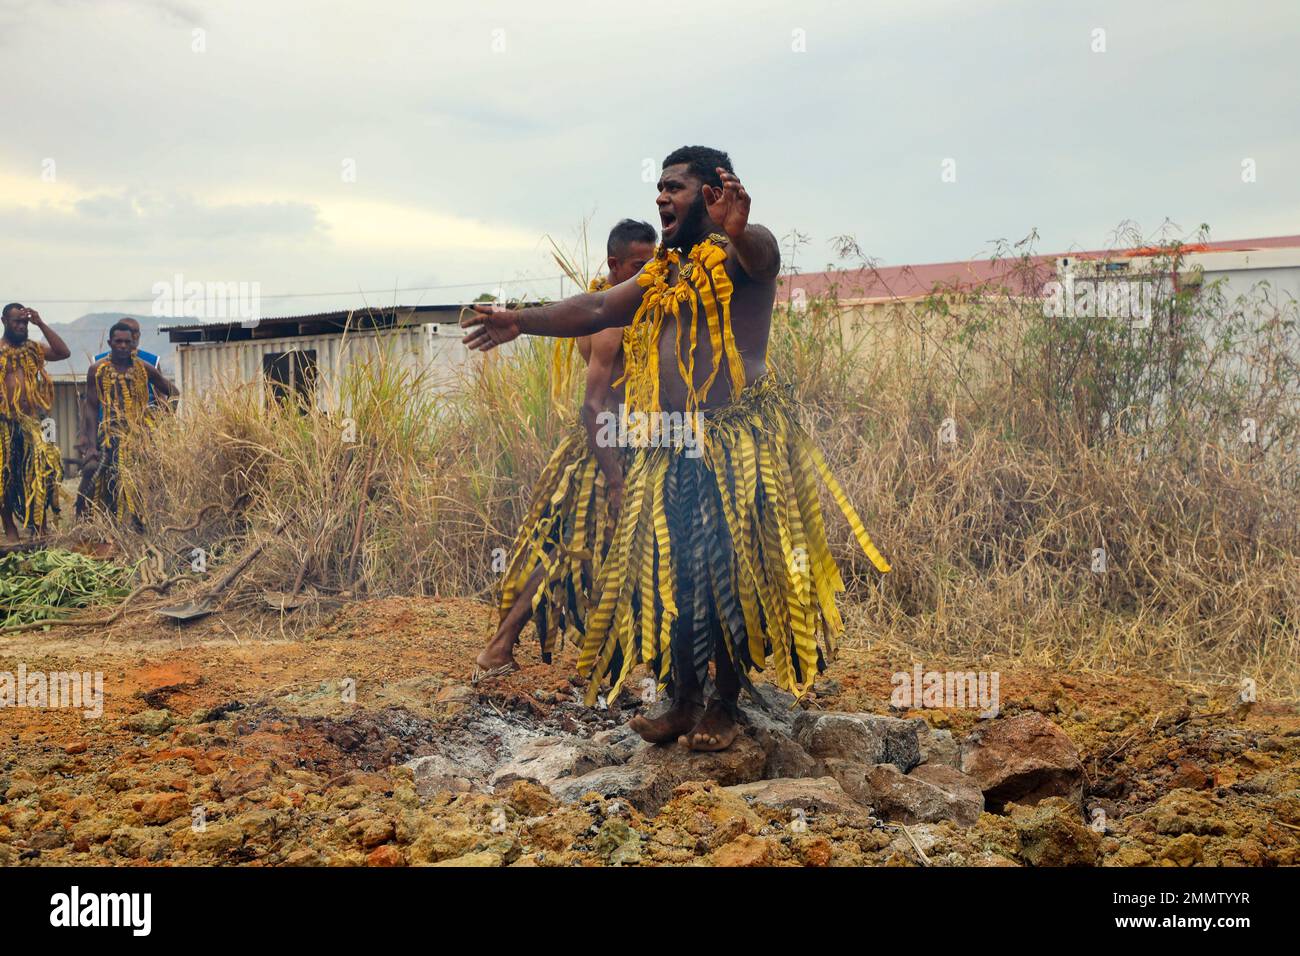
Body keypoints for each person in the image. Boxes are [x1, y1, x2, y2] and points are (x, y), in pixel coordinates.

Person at [463, 146, 890, 750]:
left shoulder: (742, 250)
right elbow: (597, 306)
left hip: (735, 441)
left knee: (727, 572)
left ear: (715, 192)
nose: (661, 197)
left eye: (675, 188)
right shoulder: (666, 269)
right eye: (658, 188)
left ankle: (725, 703)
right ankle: (684, 698)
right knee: (677, 577)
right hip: (668, 439)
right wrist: (520, 322)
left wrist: (740, 233)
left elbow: (764, 259)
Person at [475, 219, 656, 676]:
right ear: (615, 265)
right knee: (565, 552)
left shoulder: (616, 301)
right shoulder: (612, 326)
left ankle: (625, 660)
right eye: (639, 265)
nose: (649, 272)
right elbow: (592, 407)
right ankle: (500, 647)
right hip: (607, 453)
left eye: (653, 263)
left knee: (608, 553)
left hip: (626, 447)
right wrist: (614, 478)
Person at [79, 321, 176, 526]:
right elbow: (90, 407)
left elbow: (172, 392)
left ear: (134, 344)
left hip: (140, 436)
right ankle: (83, 522)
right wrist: (90, 445)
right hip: (108, 434)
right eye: (118, 341)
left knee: (148, 477)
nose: (123, 346)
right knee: (91, 471)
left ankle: (147, 523)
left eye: (127, 342)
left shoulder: (144, 368)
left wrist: (164, 417)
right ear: (110, 343)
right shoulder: (97, 370)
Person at [0, 304, 69, 543]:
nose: (21, 326)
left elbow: (63, 352)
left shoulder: (34, 350)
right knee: (4, 477)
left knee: (40, 474)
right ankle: (10, 529)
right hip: (3, 424)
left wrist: (40, 322)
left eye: (24, 322)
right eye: (16, 322)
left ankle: (40, 527)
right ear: (4, 321)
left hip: (33, 424)